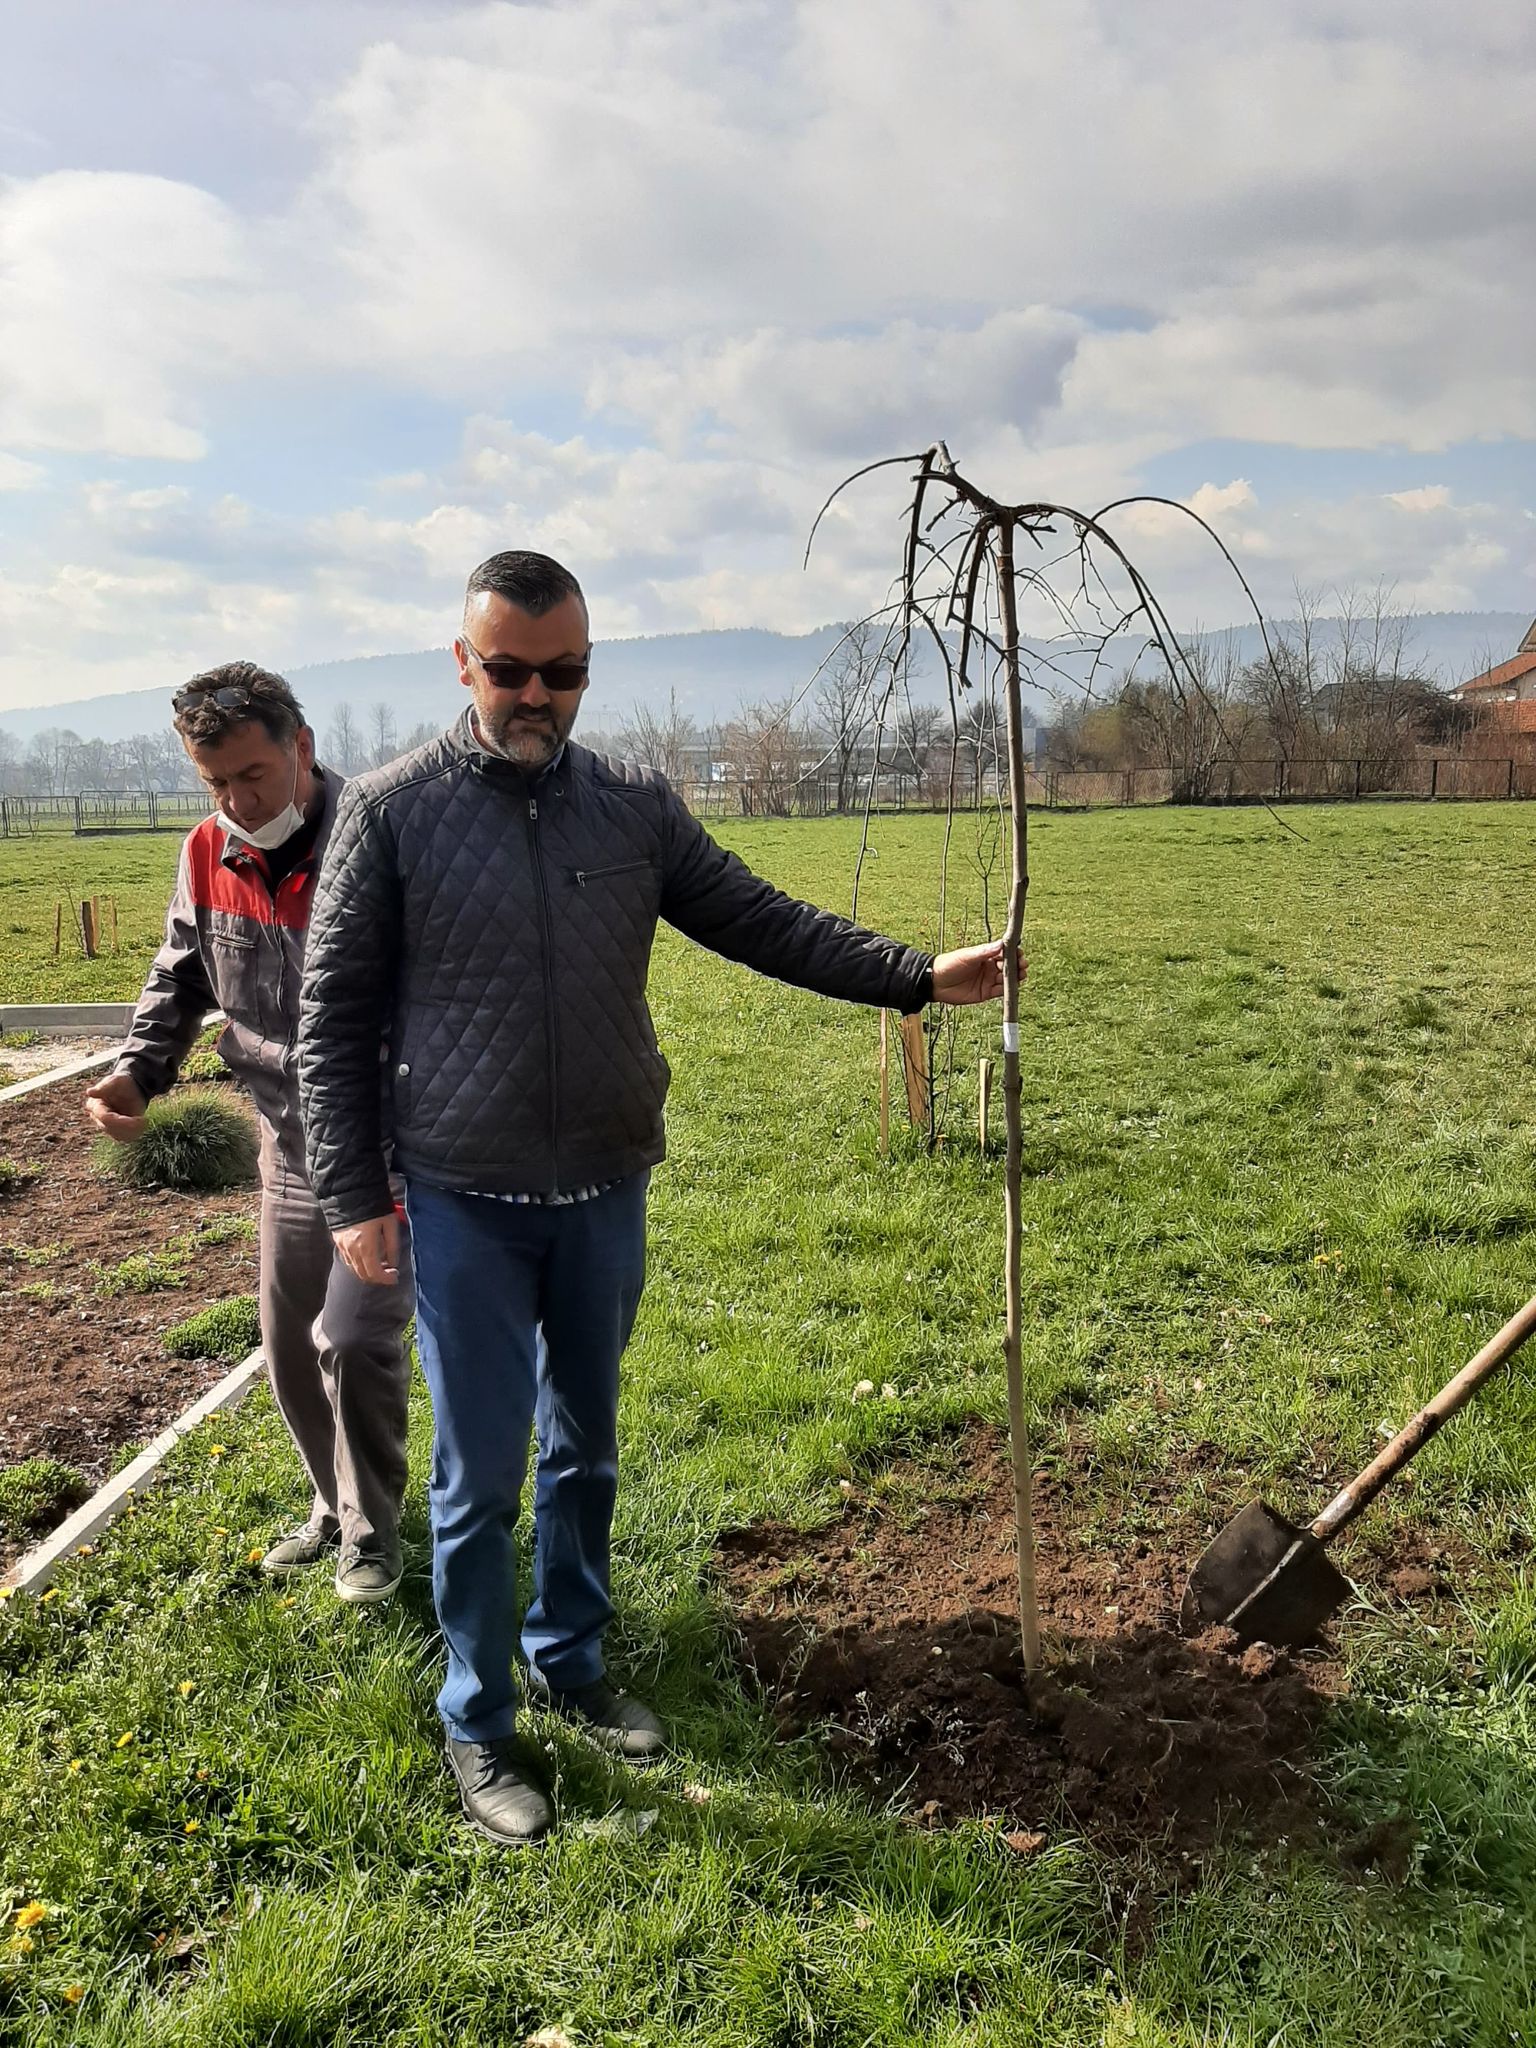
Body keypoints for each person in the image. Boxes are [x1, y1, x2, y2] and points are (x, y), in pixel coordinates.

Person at [297, 552, 1011, 1848]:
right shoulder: (393, 813)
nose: (535, 694)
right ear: (464, 664)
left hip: (604, 1189)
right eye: (508, 669)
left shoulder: (631, 806)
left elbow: (757, 917)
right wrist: (355, 1195)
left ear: (586, 669)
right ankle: (479, 1716)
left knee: (587, 1448)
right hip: (462, 1201)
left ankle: (571, 1659)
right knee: (480, 1478)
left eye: (561, 672)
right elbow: (330, 1015)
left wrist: (916, 977)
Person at [86, 663, 414, 1603]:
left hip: (383, 1139)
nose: (236, 801)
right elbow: (181, 971)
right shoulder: (205, 852)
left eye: (253, 777)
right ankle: (332, 1504)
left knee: (353, 1337)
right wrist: (139, 1070)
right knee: (285, 1339)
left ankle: (372, 1530)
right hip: (286, 1138)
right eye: (215, 783)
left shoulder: (374, 843)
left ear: (302, 748)